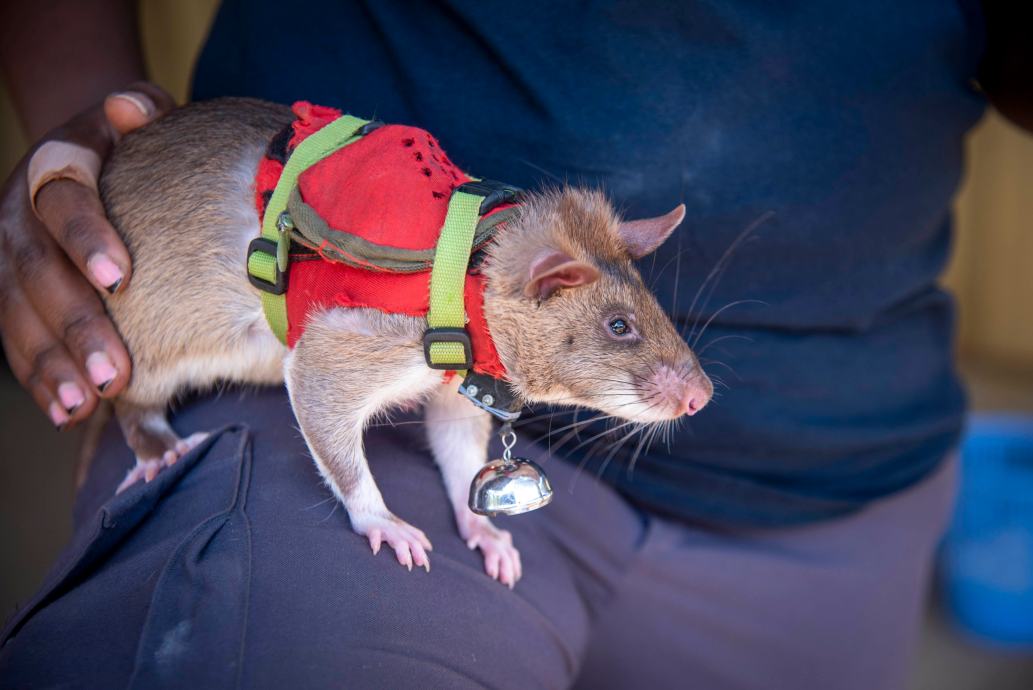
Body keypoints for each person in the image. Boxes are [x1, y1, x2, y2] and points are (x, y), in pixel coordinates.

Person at [0, 2, 1029, 688]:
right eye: (622, 328)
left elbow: (463, 390)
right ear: (546, 284)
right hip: (276, 410)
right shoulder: (422, 307)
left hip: (835, 476)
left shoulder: (483, 327)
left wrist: (471, 513)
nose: (686, 386)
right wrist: (368, 509)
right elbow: (322, 372)